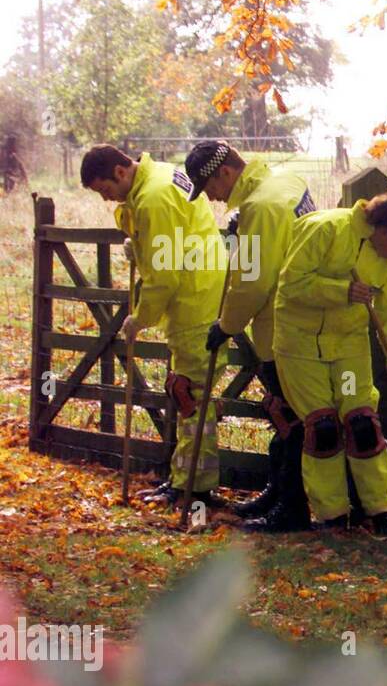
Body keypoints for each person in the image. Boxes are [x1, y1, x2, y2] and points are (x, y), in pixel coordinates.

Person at [81, 144, 225, 508]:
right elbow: (166, 243)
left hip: (194, 297)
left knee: (192, 397)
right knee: (187, 390)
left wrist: (140, 318)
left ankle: (196, 488)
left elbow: (164, 275)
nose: (106, 199)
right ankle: (184, 480)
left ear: (119, 171)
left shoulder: (154, 198)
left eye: (105, 190)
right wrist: (139, 243)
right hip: (197, 289)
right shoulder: (155, 178)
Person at [272, 193, 387, 535]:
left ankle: (381, 508)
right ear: (383, 232)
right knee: (321, 426)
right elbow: (290, 284)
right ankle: (331, 515)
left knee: (363, 423)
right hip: (300, 344)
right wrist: (340, 291)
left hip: (349, 346)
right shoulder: (325, 228)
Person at [186, 140, 316, 533]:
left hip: (283, 328)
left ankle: (291, 510)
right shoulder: (285, 182)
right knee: (282, 413)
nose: (210, 196)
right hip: (305, 319)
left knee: (290, 420)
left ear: (225, 172)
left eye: (209, 186)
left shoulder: (260, 207)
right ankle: (276, 492)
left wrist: (225, 326)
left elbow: (253, 281)